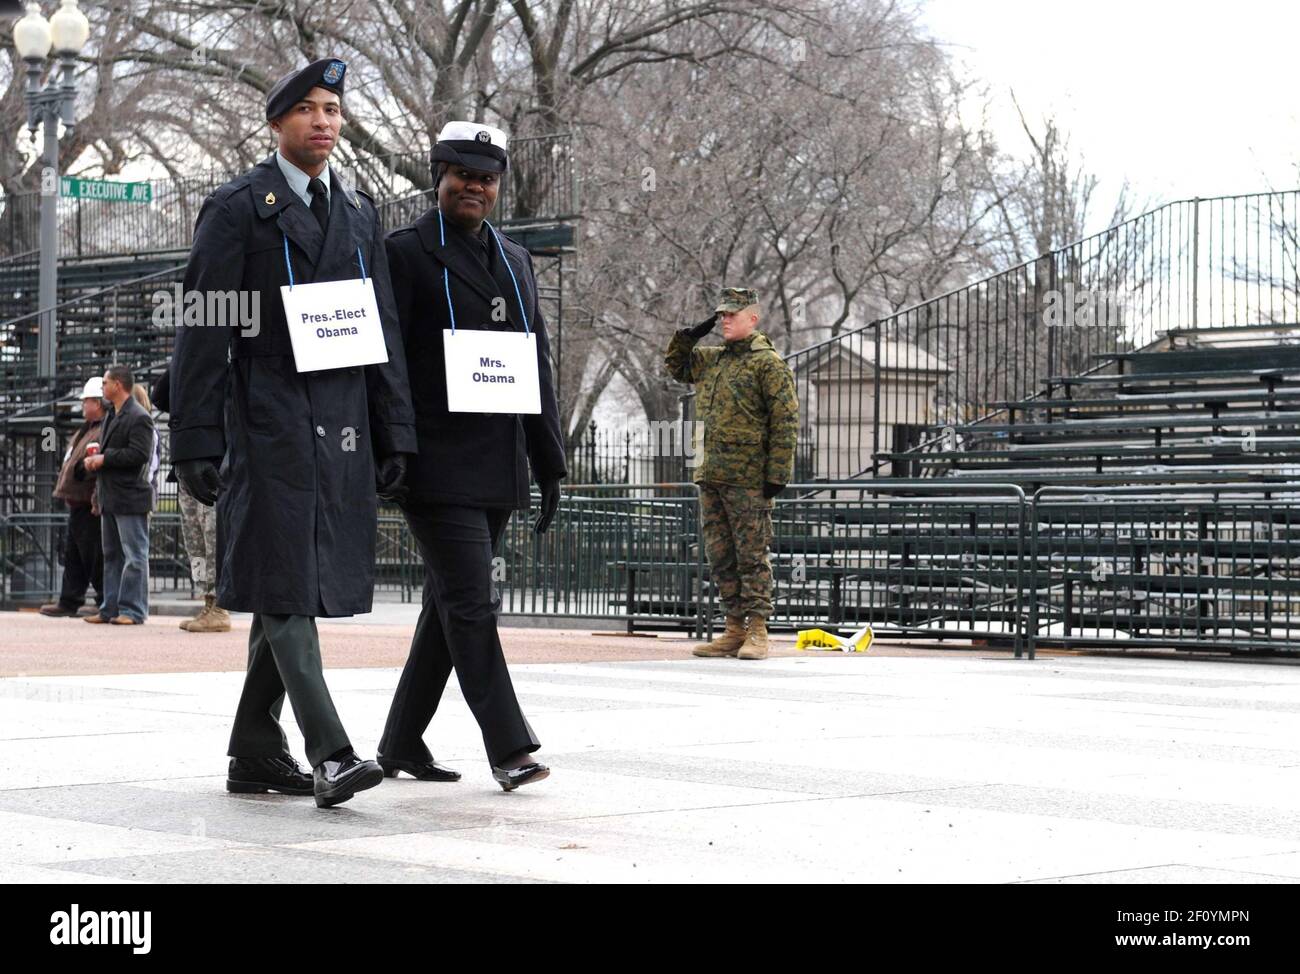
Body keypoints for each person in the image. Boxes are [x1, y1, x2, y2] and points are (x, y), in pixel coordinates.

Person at [169, 58, 415, 808]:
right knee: (284, 577)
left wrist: (393, 428)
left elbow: (384, 330)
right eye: (307, 109)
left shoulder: (361, 213)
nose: (323, 121)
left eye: (333, 110)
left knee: (297, 577)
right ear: (277, 123)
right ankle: (331, 752)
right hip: (267, 417)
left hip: (338, 421)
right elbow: (204, 326)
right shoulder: (238, 206)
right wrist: (196, 436)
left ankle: (253, 749)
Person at [378, 120, 566, 792]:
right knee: (472, 598)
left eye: (486, 178)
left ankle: (400, 742)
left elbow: (535, 362)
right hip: (432, 461)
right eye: (463, 175)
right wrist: (391, 442)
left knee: (448, 604)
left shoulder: (516, 260)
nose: (475, 187)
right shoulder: (402, 252)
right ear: (440, 177)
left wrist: (549, 461)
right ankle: (509, 746)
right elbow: (387, 359)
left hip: (495, 459)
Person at [665, 288, 799, 660]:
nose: (725, 319)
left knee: (751, 556)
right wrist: (692, 333)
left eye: (732, 315)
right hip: (712, 474)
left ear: (752, 318)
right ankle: (733, 628)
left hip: (749, 478)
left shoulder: (768, 363)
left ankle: (758, 629)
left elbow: (786, 420)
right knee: (720, 556)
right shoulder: (713, 360)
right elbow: (676, 364)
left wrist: (777, 474)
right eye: (721, 314)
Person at [152, 367, 230, 633]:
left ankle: (221, 605)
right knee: (194, 540)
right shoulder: (187, 372)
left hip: (214, 464)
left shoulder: (225, 368)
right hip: (186, 468)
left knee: (213, 538)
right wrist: (181, 361)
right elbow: (159, 396)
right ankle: (206, 601)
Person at [83, 364, 156, 626]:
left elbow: (140, 455)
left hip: (130, 497)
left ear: (118, 385)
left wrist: (105, 458)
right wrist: (96, 461)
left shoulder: (138, 416)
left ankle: (133, 610)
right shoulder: (112, 416)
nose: (102, 387)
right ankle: (110, 608)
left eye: (105, 382)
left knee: (135, 555)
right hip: (111, 496)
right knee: (112, 555)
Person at [40, 377, 106, 617]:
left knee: (93, 555)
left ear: (97, 403)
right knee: (75, 554)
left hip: (89, 503)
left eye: (87, 400)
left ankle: (103, 600)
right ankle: (69, 600)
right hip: (77, 502)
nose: (83, 405)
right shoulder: (85, 429)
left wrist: (81, 469)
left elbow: (91, 465)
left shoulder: (101, 429)